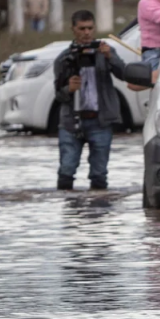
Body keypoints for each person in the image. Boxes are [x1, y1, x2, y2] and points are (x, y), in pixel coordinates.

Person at [52, 10, 127, 191]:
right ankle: (70, 214)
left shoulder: (104, 51)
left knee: (99, 175)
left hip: (100, 121)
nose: (86, 33)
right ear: (73, 30)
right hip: (71, 122)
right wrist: (68, 88)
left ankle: (99, 215)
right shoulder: (63, 58)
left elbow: (123, 73)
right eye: (82, 28)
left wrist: (110, 57)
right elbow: (58, 95)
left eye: (90, 28)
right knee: (66, 171)